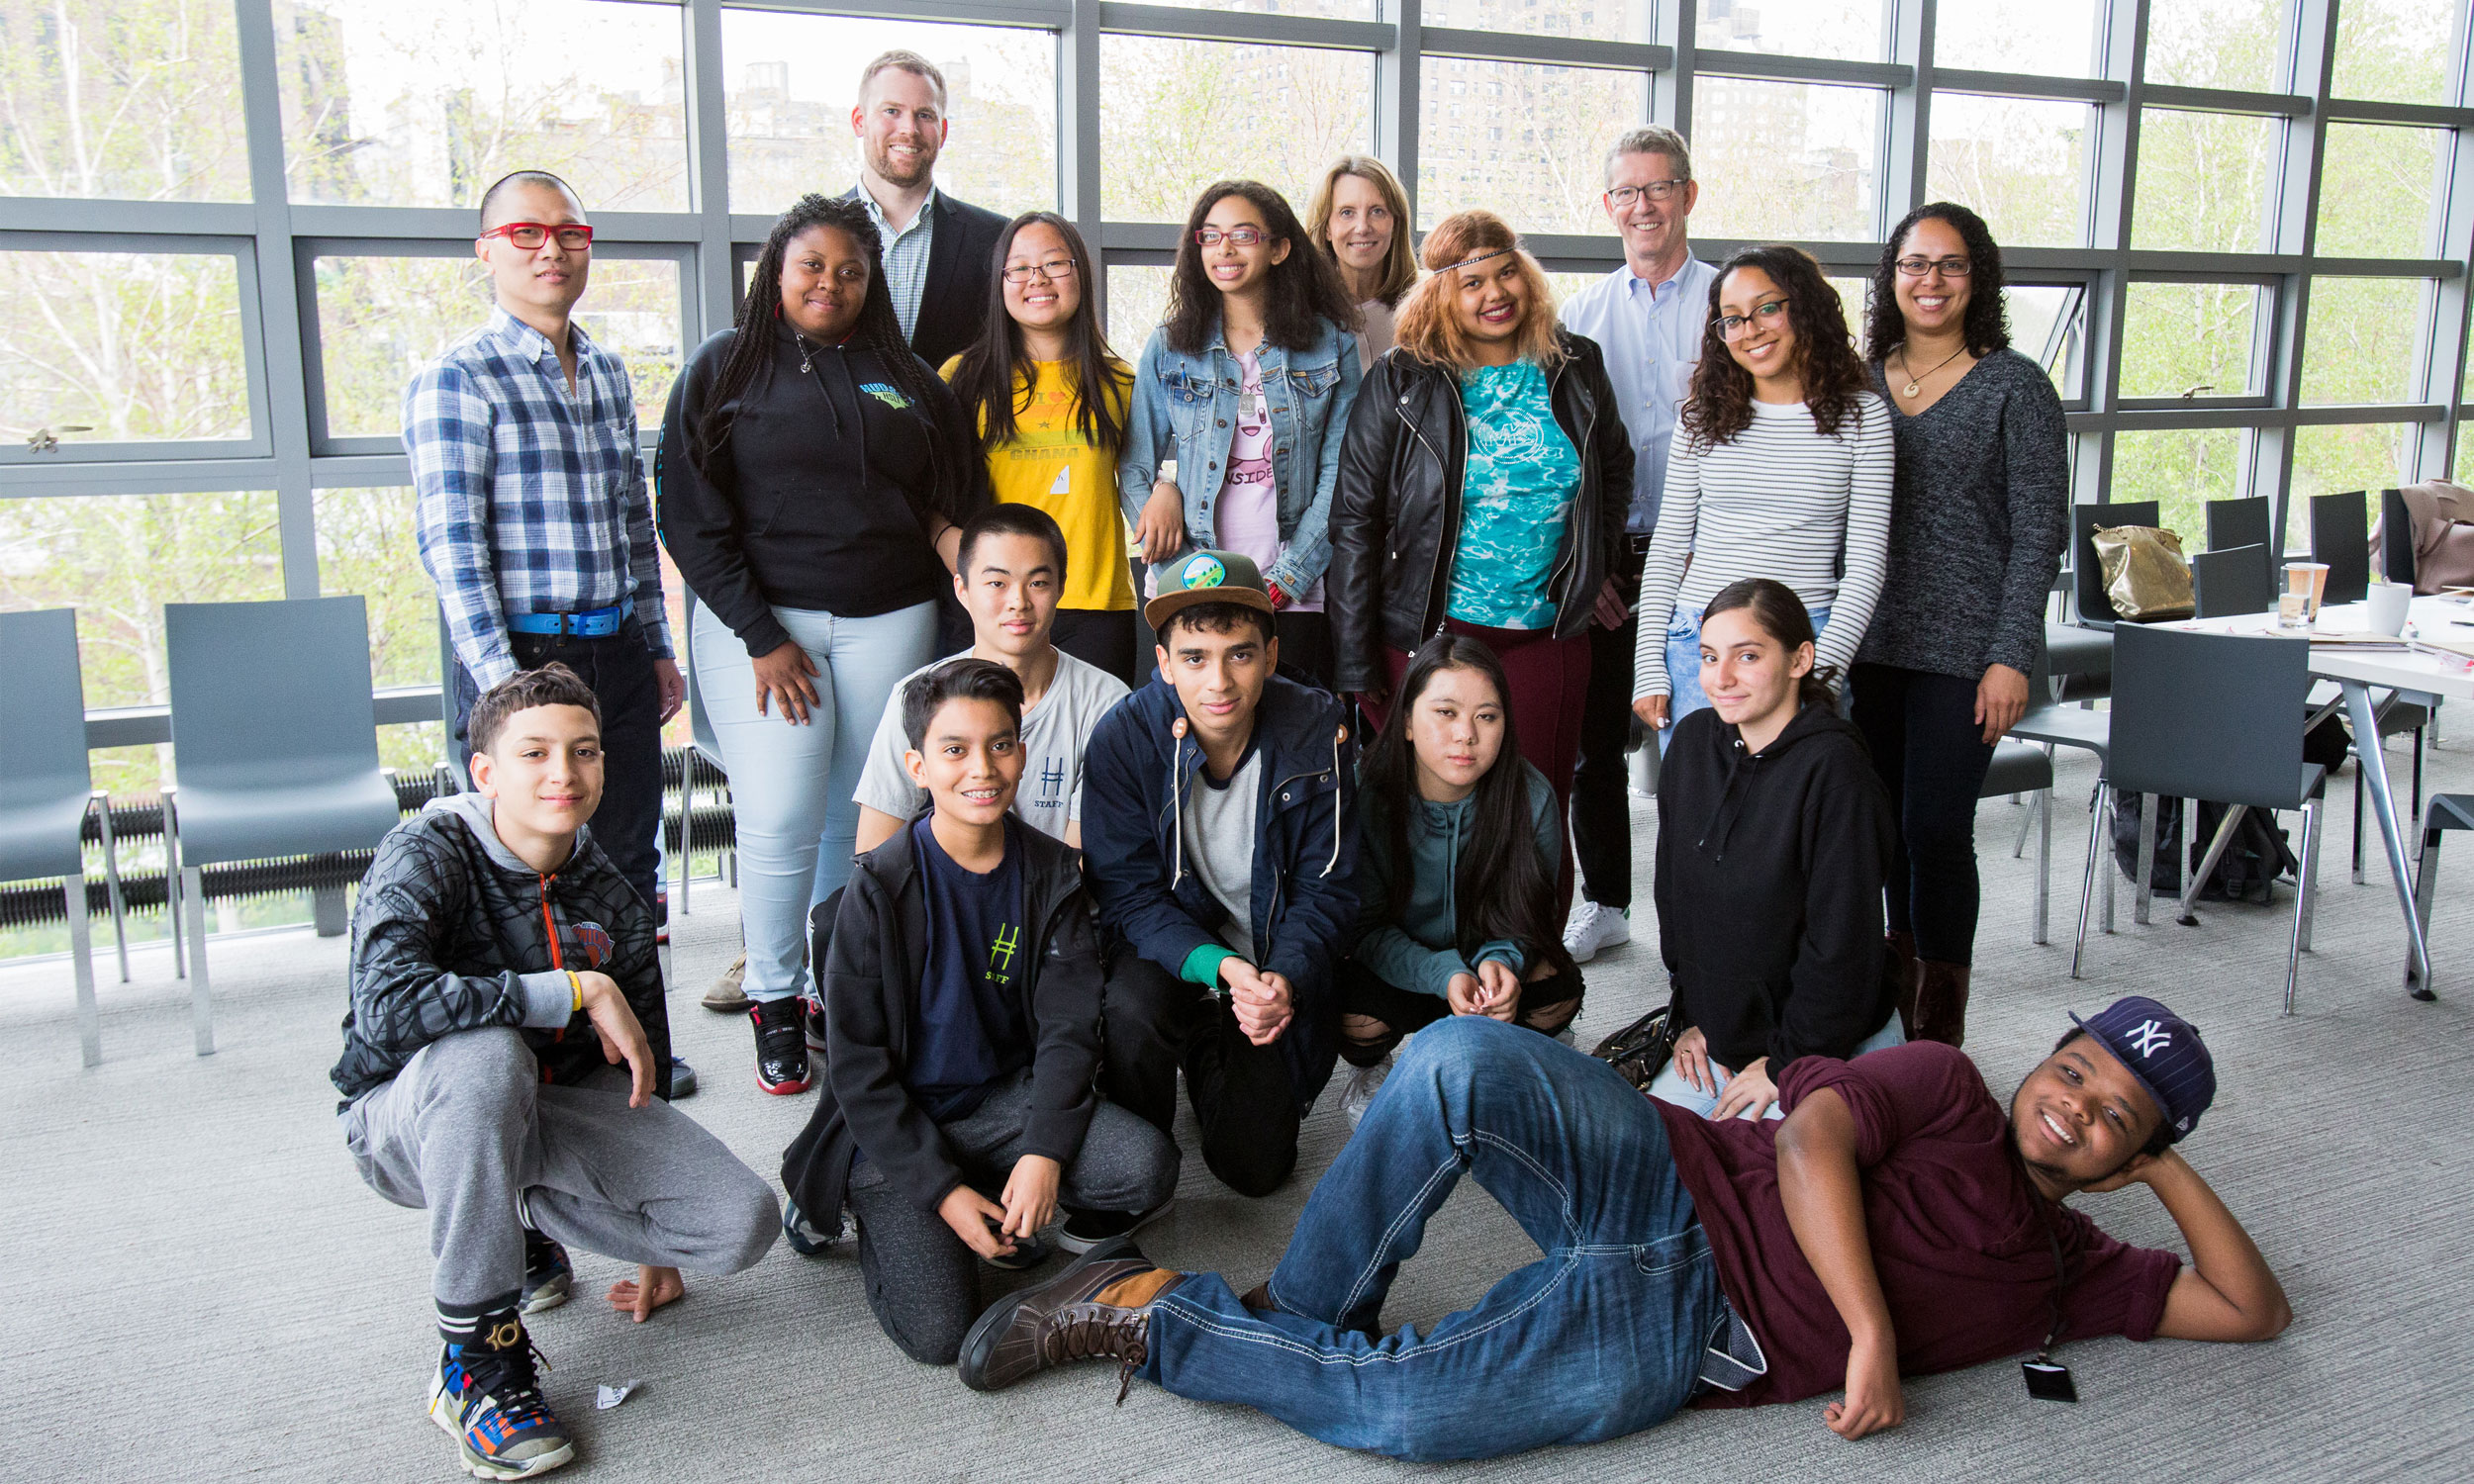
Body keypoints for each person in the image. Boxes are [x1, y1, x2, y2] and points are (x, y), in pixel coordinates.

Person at [954, 996, 2288, 1463]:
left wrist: (2164, 1180)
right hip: (1672, 1173)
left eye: (2114, 1118)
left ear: (2132, 1158)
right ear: (2041, 1058)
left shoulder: (2082, 1275)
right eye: (2072, 1072)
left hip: (1693, 1338)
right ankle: (1310, 1323)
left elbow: (2250, 1312)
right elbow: (1815, 1141)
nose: (2068, 1112)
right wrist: (1875, 1333)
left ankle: (1150, 1314)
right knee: (1455, 1061)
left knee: (1406, 1424)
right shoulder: (1942, 1084)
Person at [333, 665, 777, 1480]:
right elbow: (385, 1010)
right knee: (486, 1056)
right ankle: (474, 1359)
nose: (562, 774)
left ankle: (523, 1222)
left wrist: (651, 1241)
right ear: (486, 771)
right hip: (405, 1116)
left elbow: (628, 1068)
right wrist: (567, 989)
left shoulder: (611, 893)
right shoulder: (427, 851)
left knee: (741, 1222)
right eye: (533, 753)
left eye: (584, 751)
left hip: (543, 1116)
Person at [655, 192, 985, 1095]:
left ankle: (838, 988)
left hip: (892, 620)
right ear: (775, 272)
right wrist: (762, 636)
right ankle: (772, 996)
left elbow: (947, 501)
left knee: (862, 818)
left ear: (872, 279)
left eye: (849, 269)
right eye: (811, 266)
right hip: (763, 631)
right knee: (779, 817)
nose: (830, 283)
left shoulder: (909, 378)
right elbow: (688, 517)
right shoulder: (723, 369)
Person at [778, 659, 1179, 1364]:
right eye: (954, 750)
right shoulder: (874, 891)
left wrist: (1042, 1153)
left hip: (999, 1102)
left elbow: (1068, 1031)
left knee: (1146, 1167)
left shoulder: (1054, 874)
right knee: (940, 1336)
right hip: (894, 1121)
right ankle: (864, 1201)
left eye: (1000, 744)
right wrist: (943, 1194)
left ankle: (1003, 1191)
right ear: (917, 765)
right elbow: (860, 1072)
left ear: (1022, 753)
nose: (982, 768)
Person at [407, 170, 683, 937]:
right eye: (525, 233)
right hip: (522, 655)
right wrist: (505, 691)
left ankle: (640, 1055)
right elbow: (452, 547)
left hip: (617, 651)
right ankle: (543, 1053)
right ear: (486, 254)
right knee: (527, 871)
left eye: (570, 234)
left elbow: (633, 520)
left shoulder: (607, 372)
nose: (550, 250)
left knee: (628, 860)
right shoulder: (455, 378)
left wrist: (657, 647)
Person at [1327, 210, 1633, 849]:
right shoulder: (1400, 379)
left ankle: (1530, 947)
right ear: (1442, 293)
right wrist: (1354, 657)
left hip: (1545, 634)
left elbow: (1614, 467)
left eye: (1507, 273)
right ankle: (1434, 952)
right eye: (1472, 283)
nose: (1495, 294)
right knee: (1435, 818)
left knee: (1537, 813)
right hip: (1433, 635)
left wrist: (1595, 566)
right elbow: (1355, 521)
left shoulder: (1576, 365)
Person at [1852, 202, 2069, 1049]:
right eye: (1914, 264)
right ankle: (1895, 999)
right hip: (1866, 645)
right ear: (1891, 276)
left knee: (1936, 828)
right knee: (1881, 830)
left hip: (1967, 652)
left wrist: (2011, 656)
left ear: (1977, 278)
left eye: (1949, 265)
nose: (1930, 281)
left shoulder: (2014, 385)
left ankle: (1940, 1021)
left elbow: (2038, 530)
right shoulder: (1861, 378)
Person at [1081, 551, 1358, 1198]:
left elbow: (1330, 888)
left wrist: (1278, 980)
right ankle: (1136, 1138)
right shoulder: (1123, 738)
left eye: (1239, 653)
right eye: (1196, 657)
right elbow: (1128, 894)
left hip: (1269, 957)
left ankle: (1210, 1041)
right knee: (1129, 1009)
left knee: (1255, 1169)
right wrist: (1220, 970)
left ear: (1270, 653)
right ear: (1165, 664)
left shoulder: (1319, 728)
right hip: (1176, 947)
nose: (1219, 682)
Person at [1648, 579, 1902, 1123]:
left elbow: (1845, 949)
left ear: (1799, 659)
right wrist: (1691, 1014)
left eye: (1748, 656)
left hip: (1821, 1043)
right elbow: (1674, 895)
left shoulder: (1837, 775)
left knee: (1760, 1190)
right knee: (1647, 1161)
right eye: (1710, 656)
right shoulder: (1692, 743)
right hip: (1721, 1038)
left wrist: (1788, 1064)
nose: (1722, 679)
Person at [1556, 125, 1718, 966]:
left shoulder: (1733, 303)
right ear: (1608, 205)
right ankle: (1608, 902)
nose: (1644, 205)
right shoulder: (1580, 318)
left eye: (1659, 188)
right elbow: (1565, 458)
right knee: (1597, 745)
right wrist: (1588, 570)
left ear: (1688, 196)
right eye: (1628, 191)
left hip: (1709, 552)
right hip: (1614, 556)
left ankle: (1708, 905)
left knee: (1706, 741)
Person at [1631, 244, 1892, 747]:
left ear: (1805, 308)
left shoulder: (1863, 417)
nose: (1749, 330)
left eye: (1767, 308)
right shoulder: (1700, 417)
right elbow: (1667, 550)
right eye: (1731, 319)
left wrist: (1824, 674)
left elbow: (1865, 567)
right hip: (1700, 644)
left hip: (1802, 646)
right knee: (1699, 817)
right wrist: (1648, 669)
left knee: (1796, 818)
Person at [1119, 179, 1364, 691]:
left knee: (1289, 733)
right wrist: (1192, 567)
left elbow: (1341, 476)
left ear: (1279, 248)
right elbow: (1135, 466)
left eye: (1244, 234)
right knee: (1193, 736)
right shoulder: (1169, 347)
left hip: (1293, 584)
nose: (1224, 248)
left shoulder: (1330, 344)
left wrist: (1284, 580)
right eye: (1209, 236)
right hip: (1187, 577)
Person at [1332, 634, 1582, 1125]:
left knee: (1558, 988)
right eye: (1445, 713)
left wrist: (1503, 964)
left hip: (1485, 970)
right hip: (1404, 966)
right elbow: (1362, 930)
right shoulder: (1365, 795)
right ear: (1406, 722)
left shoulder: (1531, 796)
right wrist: (1441, 973)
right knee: (1351, 1014)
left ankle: (1518, 1051)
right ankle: (1375, 1071)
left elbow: (1532, 913)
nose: (1466, 734)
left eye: (1486, 716)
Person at [853, 505, 1131, 856]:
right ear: (962, 589)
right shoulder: (917, 695)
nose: (1018, 601)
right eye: (997, 583)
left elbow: (1079, 870)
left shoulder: (1107, 704)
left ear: (1061, 586)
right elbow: (874, 854)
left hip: (1059, 905)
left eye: (1038, 583)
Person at [943, 213, 1141, 685]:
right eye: (1019, 268)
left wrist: (1167, 493)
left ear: (1080, 274)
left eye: (1055, 263)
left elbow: (1146, 475)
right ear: (1000, 281)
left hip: (1094, 602)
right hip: (995, 605)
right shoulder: (961, 378)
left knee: (1097, 755)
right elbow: (926, 493)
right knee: (992, 749)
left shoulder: (1120, 381)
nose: (1038, 279)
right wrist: (964, 562)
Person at [840, 49, 1008, 371]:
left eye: (925, 115)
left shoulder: (995, 238)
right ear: (859, 121)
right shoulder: (810, 234)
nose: (909, 129)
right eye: (891, 111)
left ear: (942, 131)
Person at [1305, 155, 1417, 371]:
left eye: (1377, 211)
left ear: (1395, 223)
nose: (1363, 227)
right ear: (1326, 227)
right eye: (1347, 213)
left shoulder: (1425, 310)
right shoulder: (1299, 312)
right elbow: (1250, 387)